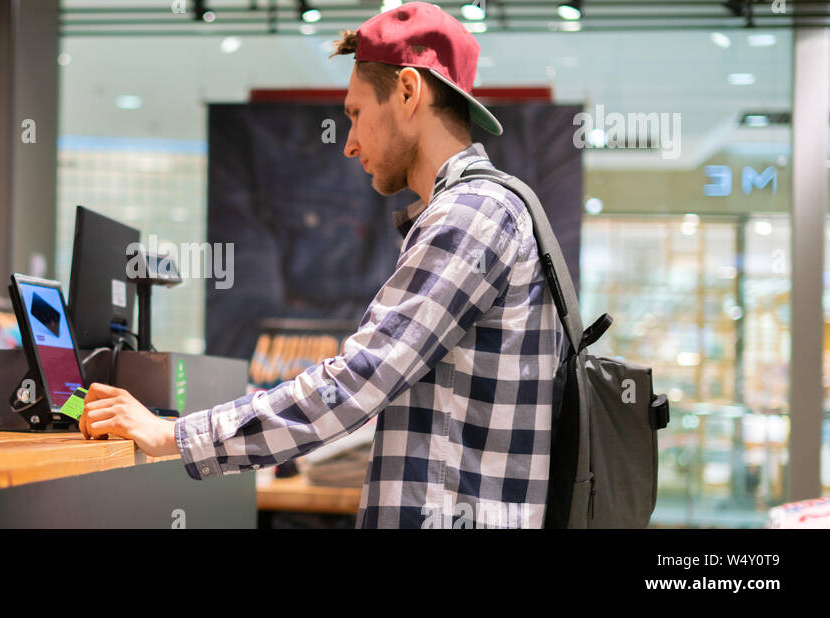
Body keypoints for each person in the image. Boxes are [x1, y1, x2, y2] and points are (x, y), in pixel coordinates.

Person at [77, 2, 565, 529]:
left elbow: (354, 384)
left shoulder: (468, 216)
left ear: (407, 91)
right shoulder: (484, 210)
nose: (350, 142)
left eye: (355, 113)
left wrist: (173, 435)